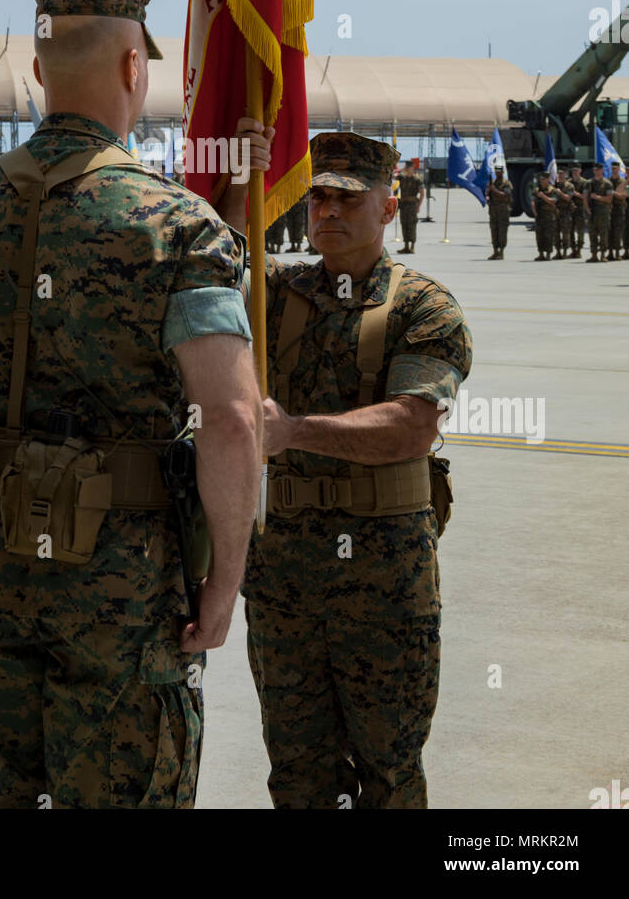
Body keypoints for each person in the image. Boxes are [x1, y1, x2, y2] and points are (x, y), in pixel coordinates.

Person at [0, 0, 262, 810]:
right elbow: (229, 415)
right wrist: (224, 582)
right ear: (131, 68)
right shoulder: (177, 227)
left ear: (39, 75)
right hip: (122, 583)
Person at [217, 124, 472, 809]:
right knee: (299, 775)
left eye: (347, 200)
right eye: (318, 198)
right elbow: (211, 264)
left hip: (383, 582)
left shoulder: (423, 306)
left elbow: (411, 427)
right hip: (284, 581)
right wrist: (245, 175)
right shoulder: (280, 293)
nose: (327, 212)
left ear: (389, 207)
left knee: (389, 772)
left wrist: (292, 431)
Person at [585, 164, 612, 263]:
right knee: (592, 233)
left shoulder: (607, 183)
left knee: (603, 234)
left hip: (603, 213)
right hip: (592, 212)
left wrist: (597, 197)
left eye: (599, 170)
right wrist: (587, 208)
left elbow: (609, 199)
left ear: (602, 170)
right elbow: (585, 197)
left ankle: (603, 255)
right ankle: (594, 255)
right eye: (595, 169)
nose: (597, 171)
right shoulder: (588, 183)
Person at [485, 165, 513, 259]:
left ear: (502, 172)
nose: (497, 173)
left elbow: (505, 195)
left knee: (502, 232)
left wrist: (494, 190)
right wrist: (488, 197)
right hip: (493, 211)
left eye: (499, 171)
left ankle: (501, 252)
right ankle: (495, 251)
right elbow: (487, 193)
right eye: (496, 171)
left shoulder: (506, 184)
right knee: (494, 231)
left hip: (503, 211)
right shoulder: (492, 183)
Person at [396, 161, 424, 255]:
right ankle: (406, 246)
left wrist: (418, 206)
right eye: (406, 167)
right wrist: (400, 170)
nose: (407, 169)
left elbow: (422, 194)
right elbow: (390, 176)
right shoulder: (401, 178)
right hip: (403, 205)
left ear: (413, 168)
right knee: (404, 224)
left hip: (412, 205)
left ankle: (412, 247)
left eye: (409, 167)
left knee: (412, 225)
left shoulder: (417, 180)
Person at [531, 173, 557, 260]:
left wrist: (543, 196)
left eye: (544, 179)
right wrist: (534, 212)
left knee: (549, 235)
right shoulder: (537, 190)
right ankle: (541, 254)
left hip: (549, 216)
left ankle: (548, 254)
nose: (542, 181)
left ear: (548, 179)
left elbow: (553, 201)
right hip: (539, 216)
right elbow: (532, 200)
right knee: (539, 235)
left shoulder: (552, 190)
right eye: (541, 179)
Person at [553, 168, 575, 259]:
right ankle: (558, 252)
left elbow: (568, 198)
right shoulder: (554, 185)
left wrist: (560, 193)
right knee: (556, 233)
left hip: (566, 212)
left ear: (566, 174)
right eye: (559, 173)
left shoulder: (569, 186)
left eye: (562, 173)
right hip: (556, 212)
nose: (560, 175)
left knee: (566, 233)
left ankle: (565, 251)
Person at [607, 164, 626, 262]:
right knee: (609, 231)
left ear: (619, 169)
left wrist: (613, 193)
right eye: (612, 168)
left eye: (615, 168)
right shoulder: (607, 181)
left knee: (618, 232)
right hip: (608, 210)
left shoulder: (623, 182)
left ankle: (617, 253)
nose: (614, 170)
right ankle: (610, 252)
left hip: (619, 210)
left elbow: (623, 196)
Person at [569, 166, 587, 258]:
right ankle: (573, 250)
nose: (574, 172)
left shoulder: (584, 182)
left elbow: (585, 197)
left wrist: (576, 194)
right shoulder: (568, 182)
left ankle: (579, 250)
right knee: (570, 231)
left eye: (576, 170)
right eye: (573, 170)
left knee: (580, 231)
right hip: (570, 210)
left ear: (580, 171)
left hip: (580, 209)